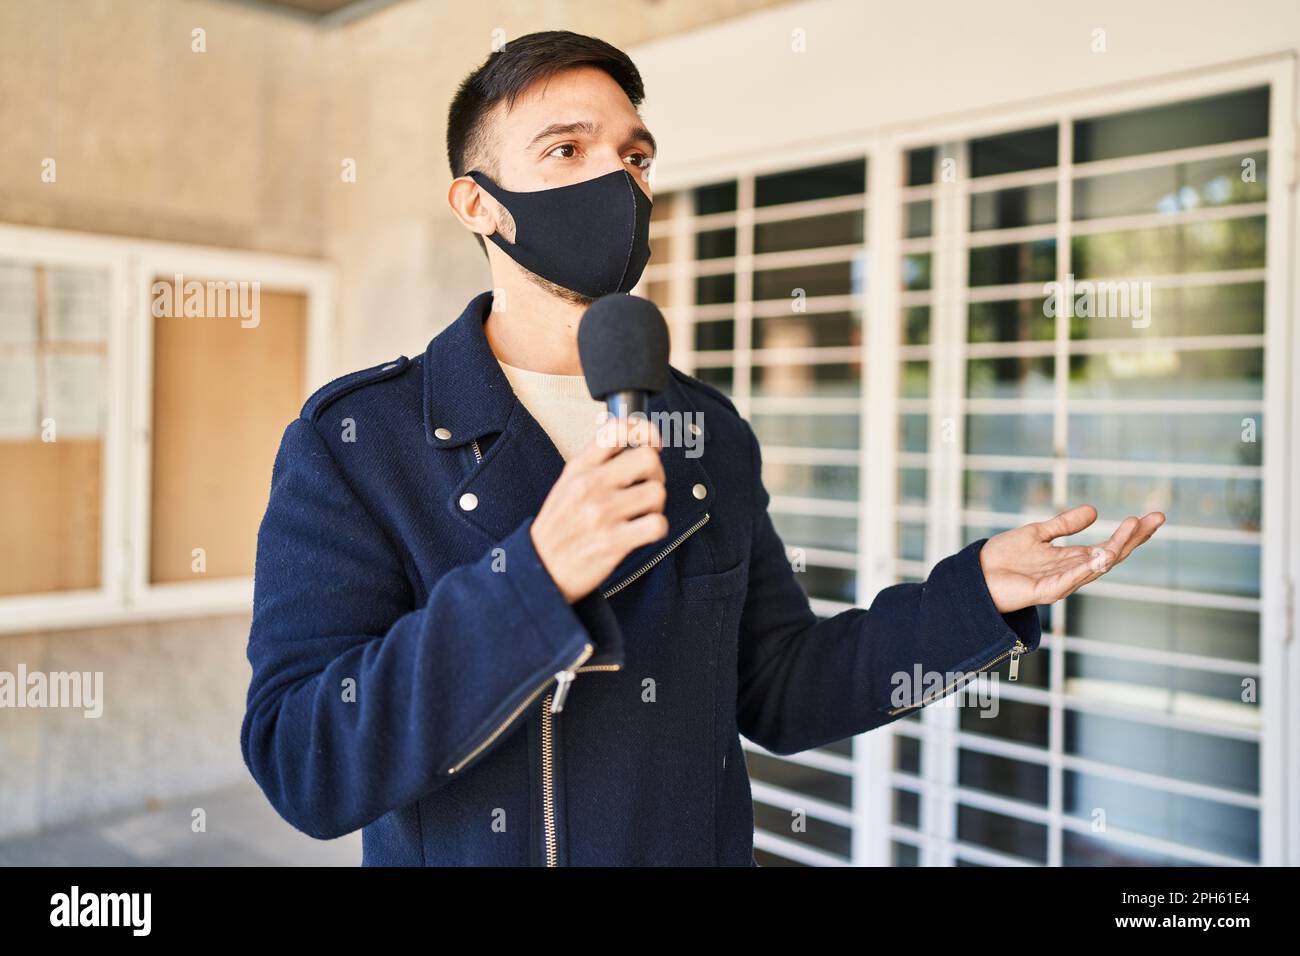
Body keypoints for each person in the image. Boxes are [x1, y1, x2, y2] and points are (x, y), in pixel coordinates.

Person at [239, 30, 1164, 866]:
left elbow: (780, 687)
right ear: (477, 204)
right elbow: (305, 761)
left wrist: (975, 599)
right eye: (567, 150)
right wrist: (533, 579)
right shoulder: (360, 443)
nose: (619, 180)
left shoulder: (705, 429)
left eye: (634, 156)